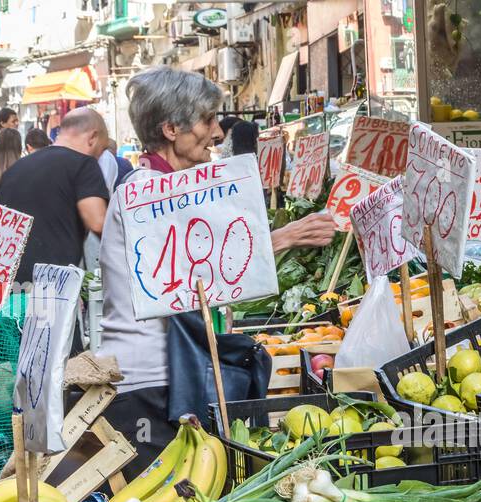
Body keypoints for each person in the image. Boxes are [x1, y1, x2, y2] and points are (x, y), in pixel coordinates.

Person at [96, 67, 336, 474]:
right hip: (150, 384)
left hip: (175, 378)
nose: (218, 133)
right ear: (171, 128)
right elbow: (194, 277)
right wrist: (282, 238)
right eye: (207, 120)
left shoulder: (175, 189)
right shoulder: (143, 193)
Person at [0, 107, 110, 283]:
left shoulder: (15, 170)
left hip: (9, 286)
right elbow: (98, 222)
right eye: (101, 150)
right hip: (52, 287)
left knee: (18, 311)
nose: (99, 156)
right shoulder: (84, 164)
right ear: (93, 137)